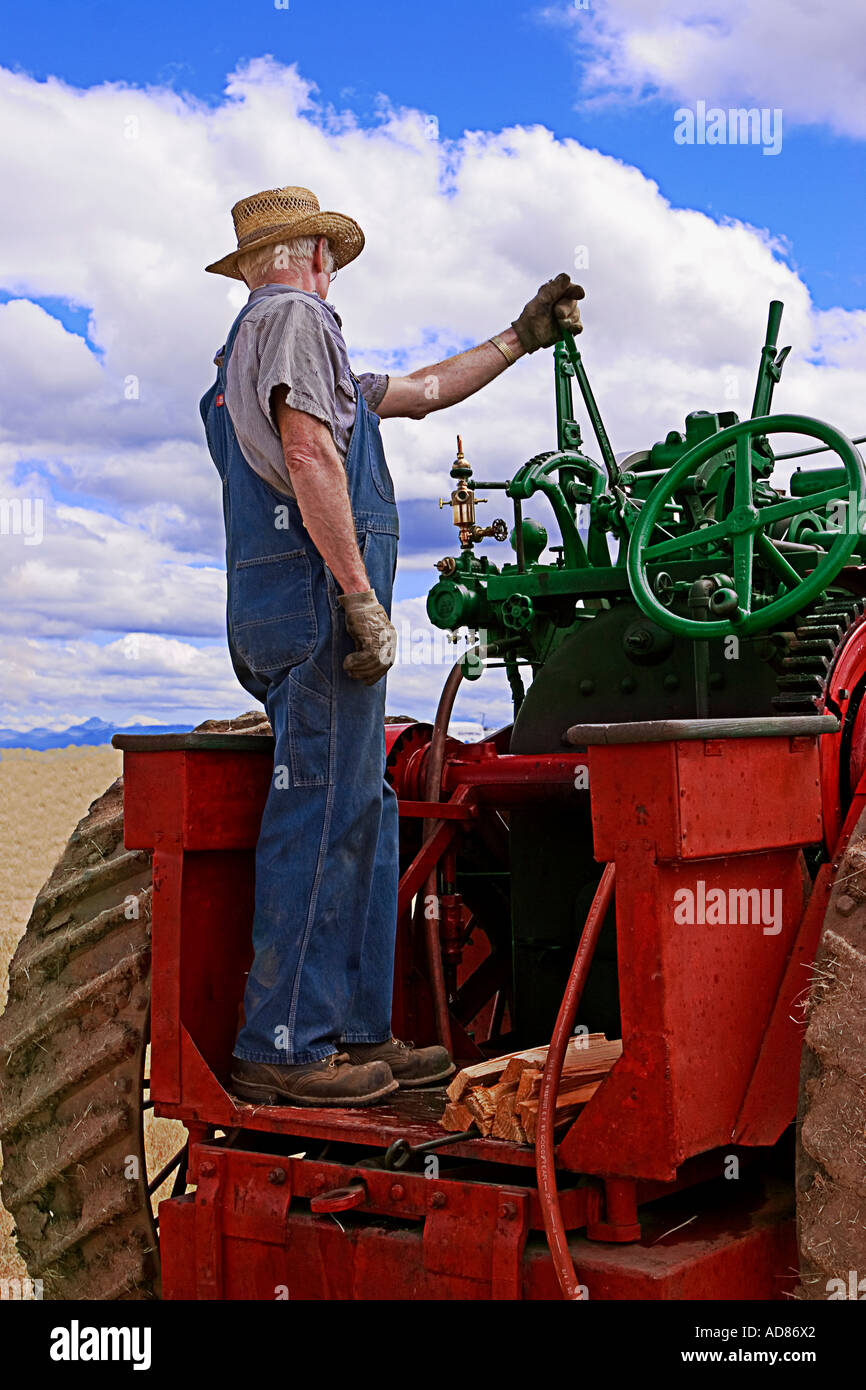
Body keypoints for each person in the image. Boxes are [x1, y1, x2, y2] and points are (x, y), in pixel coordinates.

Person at [200, 185, 584, 1105]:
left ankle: (361, 1031)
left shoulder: (247, 354)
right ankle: (285, 1046)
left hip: (277, 603)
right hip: (317, 604)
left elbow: (420, 392)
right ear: (313, 258)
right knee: (325, 811)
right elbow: (310, 456)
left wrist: (520, 337)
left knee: (361, 806)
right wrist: (360, 596)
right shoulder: (294, 318)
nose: (333, 276)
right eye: (330, 258)